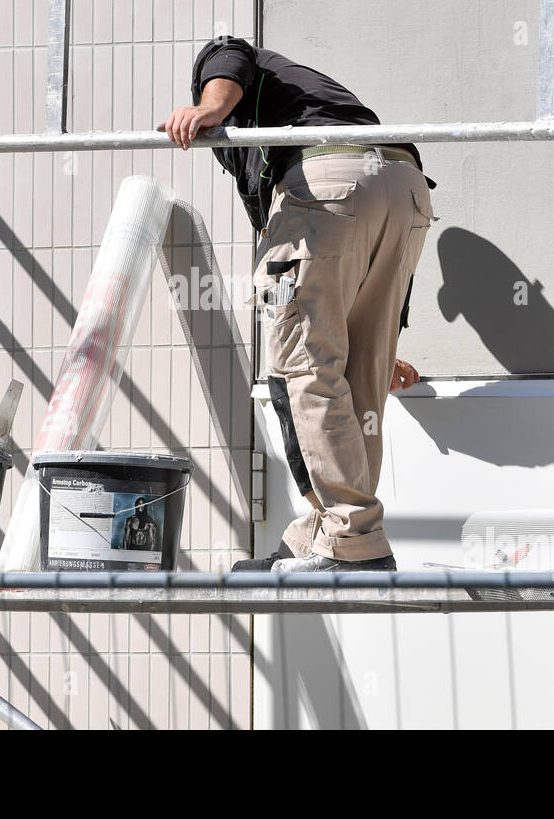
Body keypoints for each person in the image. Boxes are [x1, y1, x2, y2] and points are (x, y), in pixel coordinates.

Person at [157, 36, 434, 572]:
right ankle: (322, 532)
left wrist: (207, 108)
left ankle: (351, 537)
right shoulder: (309, 97)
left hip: (327, 182)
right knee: (360, 376)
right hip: (406, 187)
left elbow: (228, 55)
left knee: (300, 366)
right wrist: (387, 333)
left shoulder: (239, 71)